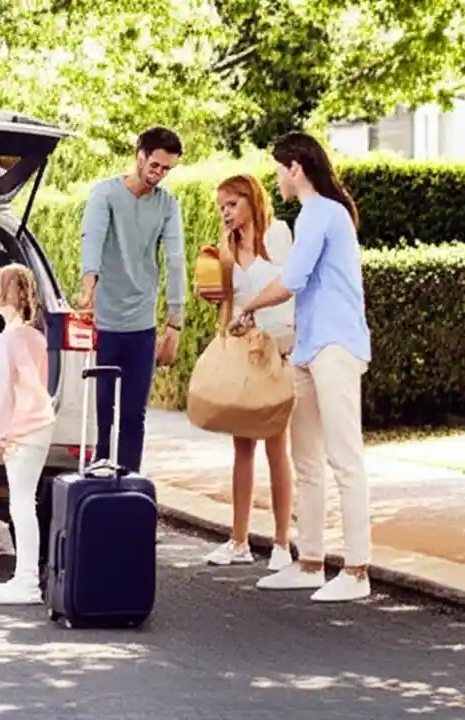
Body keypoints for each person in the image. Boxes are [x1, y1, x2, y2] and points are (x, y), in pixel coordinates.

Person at [231, 131, 373, 603]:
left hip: (336, 345)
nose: (276, 178)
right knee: (306, 458)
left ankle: (356, 570)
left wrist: (248, 305)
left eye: (278, 169)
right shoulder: (314, 215)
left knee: (343, 457)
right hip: (309, 348)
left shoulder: (323, 214)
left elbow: (292, 280)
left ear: (295, 168)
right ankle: (310, 561)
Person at [198, 174, 296, 571]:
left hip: (275, 349)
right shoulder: (225, 249)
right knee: (242, 446)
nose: (225, 212)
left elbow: (292, 288)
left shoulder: (279, 236)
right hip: (243, 349)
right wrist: (220, 324)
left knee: (276, 445)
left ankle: (281, 543)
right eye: (221, 206)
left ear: (251, 200)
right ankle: (238, 540)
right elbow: (228, 305)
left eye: (232, 204)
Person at [76, 127, 188, 472]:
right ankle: (99, 481)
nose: (159, 174)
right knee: (103, 411)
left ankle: (129, 483)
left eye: (166, 169)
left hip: (142, 324)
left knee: (134, 416)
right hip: (105, 320)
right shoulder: (105, 194)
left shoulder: (167, 204)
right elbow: (92, 239)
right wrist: (87, 289)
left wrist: (174, 323)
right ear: (140, 155)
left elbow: (175, 258)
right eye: (155, 165)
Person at [0, 263, 56, 605]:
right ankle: (24, 577)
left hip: (21, 429)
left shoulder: (4, 341)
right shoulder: (36, 336)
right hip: (41, 423)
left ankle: (26, 581)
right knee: (26, 502)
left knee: (21, 504)